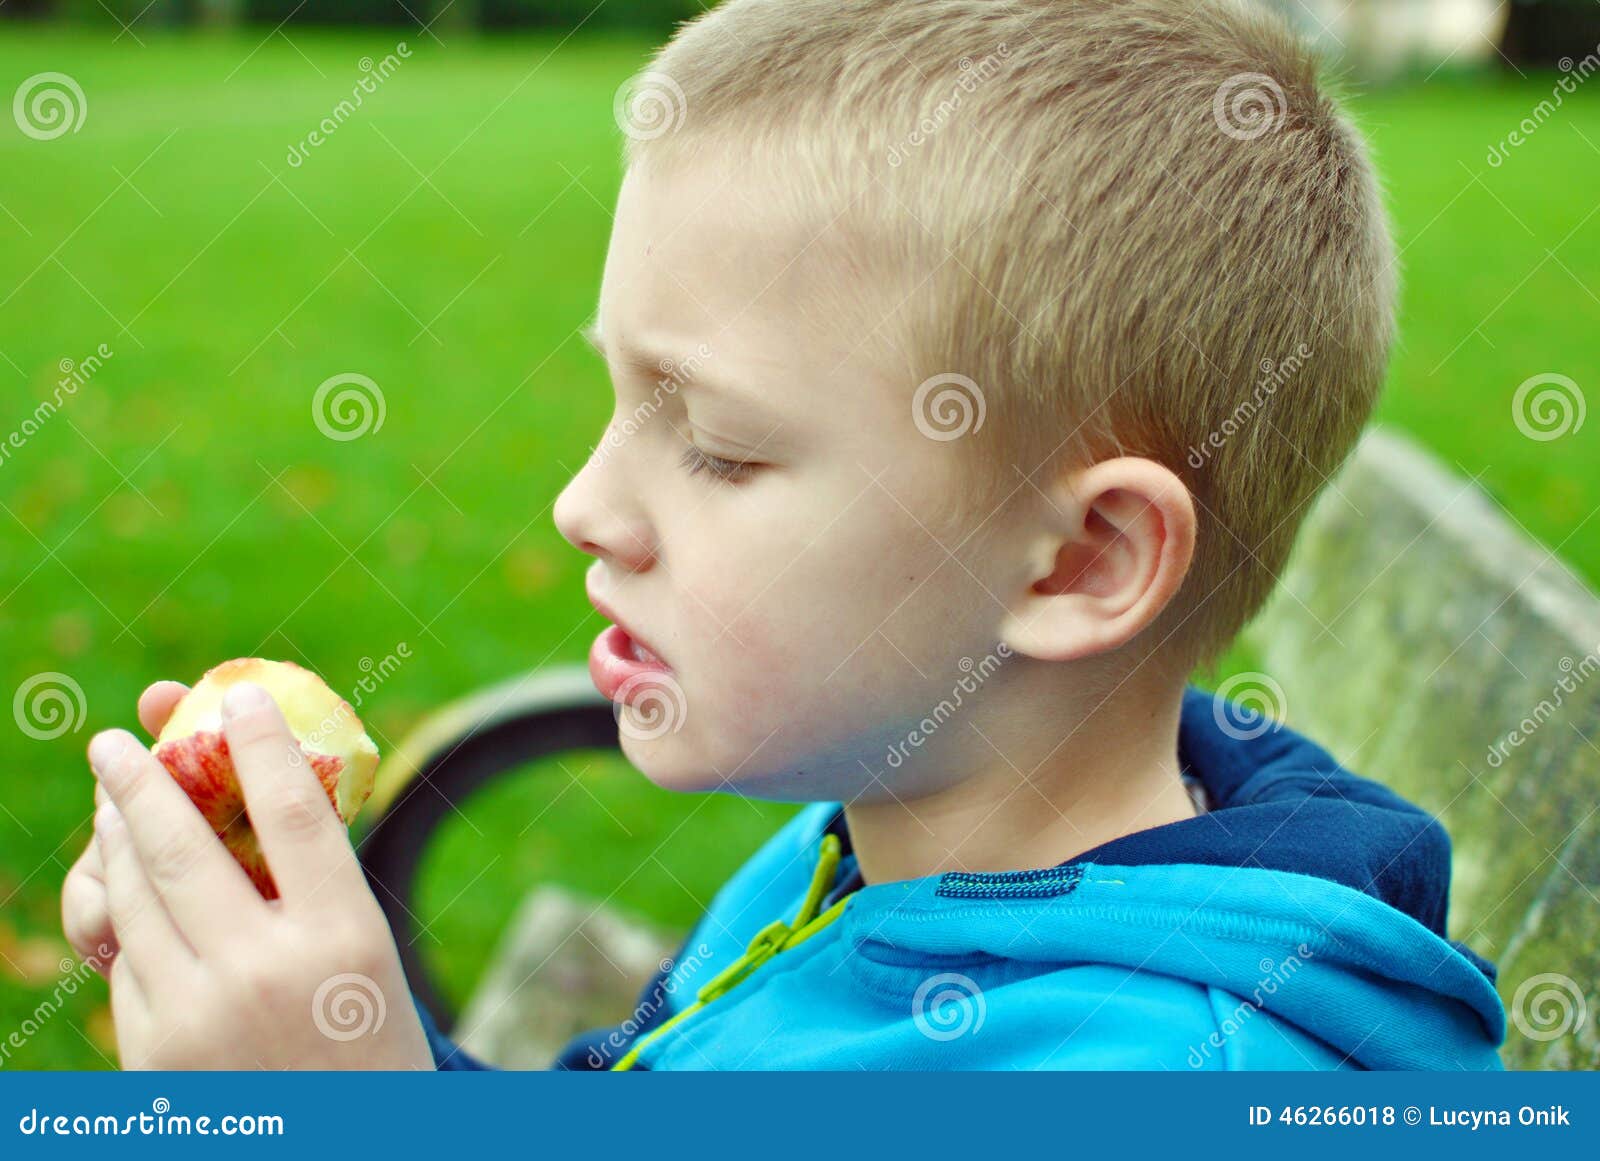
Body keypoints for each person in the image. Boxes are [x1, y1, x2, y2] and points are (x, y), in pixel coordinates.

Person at [65, 0, 1505, 1070]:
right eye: (618, 395)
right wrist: (308, 1009)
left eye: (721, 444)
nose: (583, 505)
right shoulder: (885, 825)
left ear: (1078, 561)